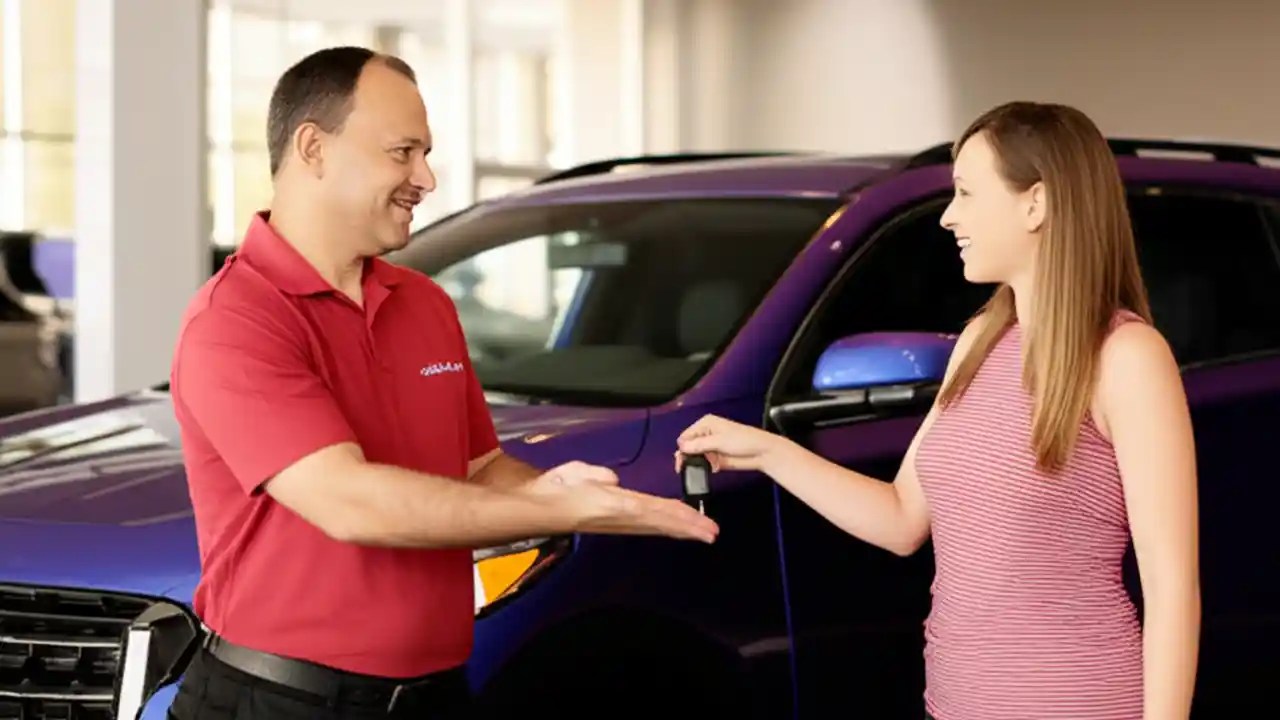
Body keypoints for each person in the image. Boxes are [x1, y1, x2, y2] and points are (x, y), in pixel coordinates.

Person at [167, 46, 718, 720]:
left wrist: (551, 487)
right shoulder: (237, 319)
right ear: (313, 148)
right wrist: (558, 513)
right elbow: (350, 504)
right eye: (403, 152)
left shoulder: (424, 304)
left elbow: (478, 466)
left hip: (437, 696)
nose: (425, 179)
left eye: (425, 154)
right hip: (282, 704)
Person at [676, 101, 1200, 719]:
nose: (949, 217)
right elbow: (902, 518)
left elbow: (1172, 591)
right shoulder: (980, 342)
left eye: (967, 193)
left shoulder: (1126, 357)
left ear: (1037, 203)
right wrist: (767, 451)